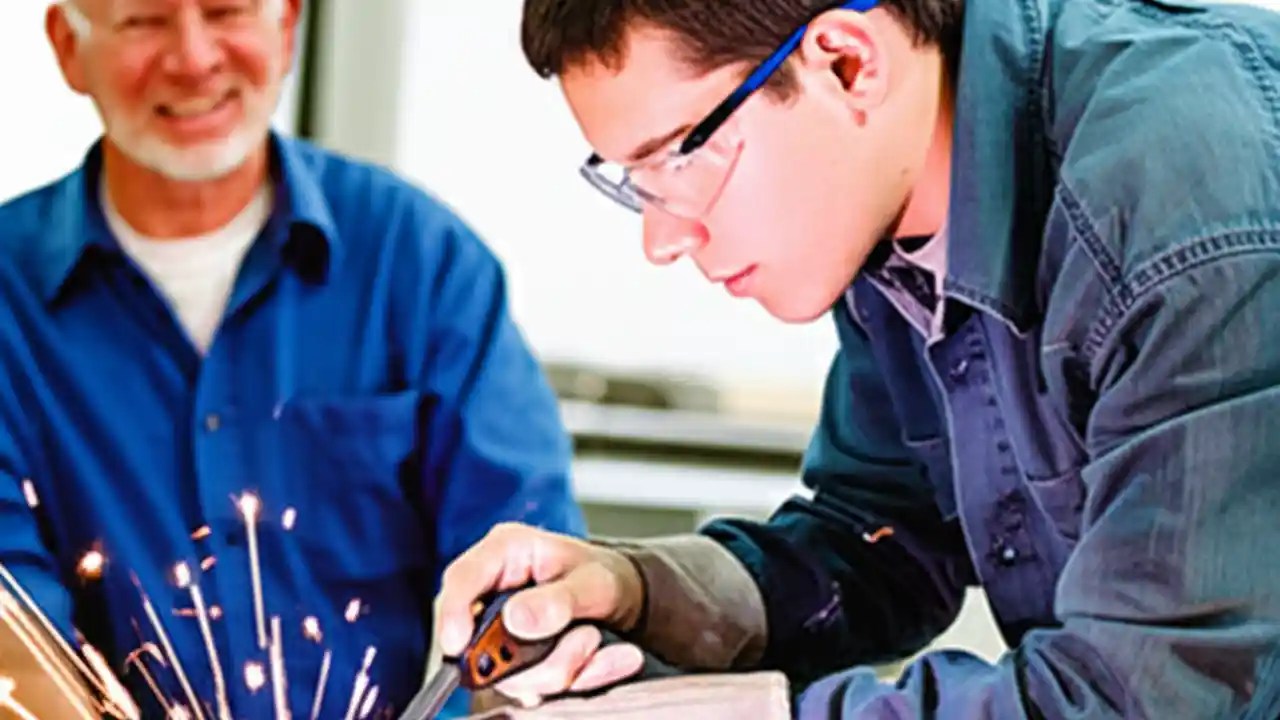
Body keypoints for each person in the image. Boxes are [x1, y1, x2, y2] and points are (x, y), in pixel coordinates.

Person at [437, 0, 1280, 717]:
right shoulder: (894, 212)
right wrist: (641, 589)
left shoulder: (1182, 192)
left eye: (679, 157)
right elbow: (882, 538)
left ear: (845, 64)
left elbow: (1138, 698)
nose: (663, 237)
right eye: (635, 181)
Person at [0, 0, 585, 717]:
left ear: (287, 27)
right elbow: (14, 641)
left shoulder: (421, 267)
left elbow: (524, 577)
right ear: (67, 45)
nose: (193, 58)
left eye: (227, 12)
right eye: (144, 21)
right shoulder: (7, 302)